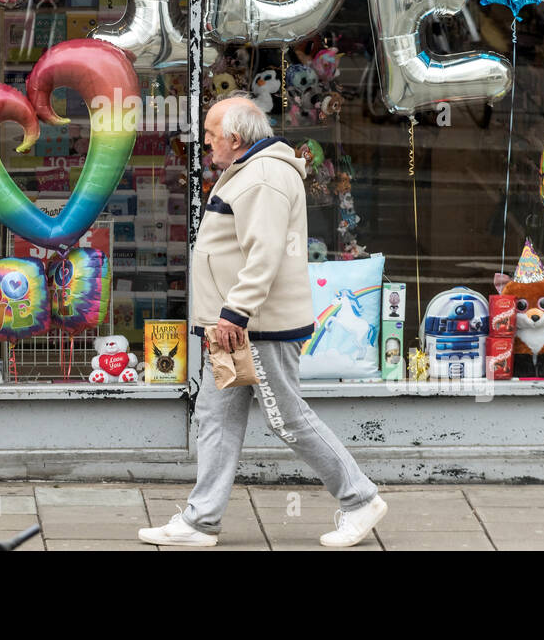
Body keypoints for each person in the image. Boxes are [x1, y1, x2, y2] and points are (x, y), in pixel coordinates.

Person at [138, 93, 387, 548]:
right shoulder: (250, 170)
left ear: (235, 138)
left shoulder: (263, 177)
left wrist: (235, 311)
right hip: (233, 326)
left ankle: (360, 499)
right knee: (216, 418)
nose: (206, 143)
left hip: (255, 326)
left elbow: (265, 252)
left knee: (286, 417)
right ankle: (200, 521)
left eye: (212, 135)